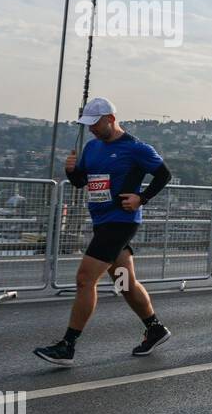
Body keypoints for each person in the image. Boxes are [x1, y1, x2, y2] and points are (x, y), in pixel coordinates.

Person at [34, 97, 173, 366]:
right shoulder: (92, 147)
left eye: (94, 123)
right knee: (124, 281)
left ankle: (68, 345)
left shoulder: (136, 148)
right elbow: (81, 182)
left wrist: (141, 199)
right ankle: (155, 328)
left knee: (85, 279)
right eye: (87, 125)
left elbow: (164, 175)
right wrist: (71, 171)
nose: (91, 129)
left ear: (110, 118)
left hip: (121, 221)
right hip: (101, 221)